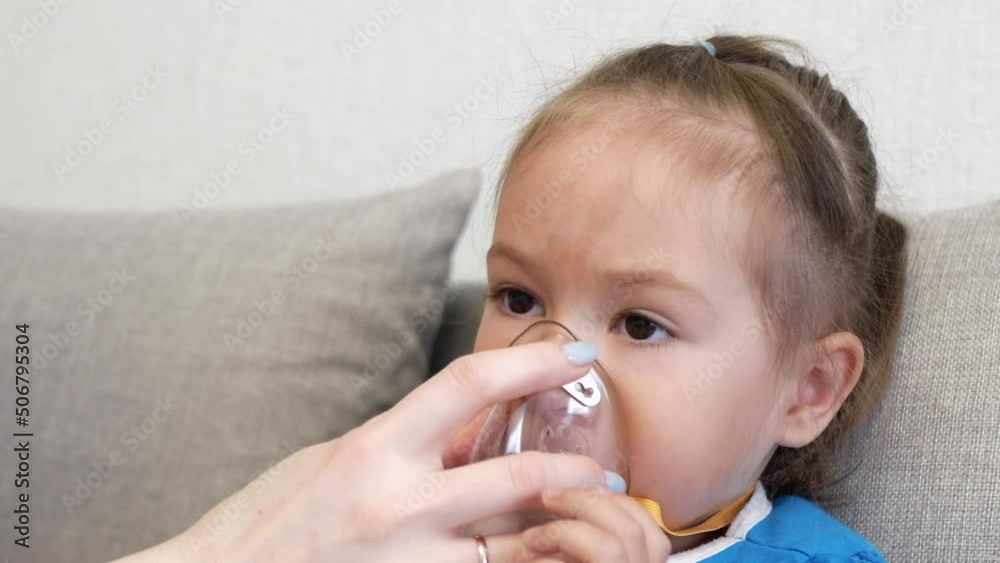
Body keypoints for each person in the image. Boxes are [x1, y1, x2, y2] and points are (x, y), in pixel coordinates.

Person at [123, 34, 906, 562]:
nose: (549, 365)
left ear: (807, 390)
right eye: (521, 298)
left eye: (641, 322)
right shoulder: (415, 526)